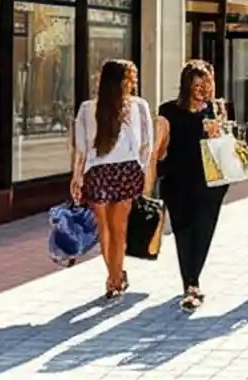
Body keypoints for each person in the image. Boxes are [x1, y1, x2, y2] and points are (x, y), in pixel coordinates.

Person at [70, 59, 152, 299]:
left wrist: (77, 176)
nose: (133, 82)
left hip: (98, 172)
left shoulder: (87, 109)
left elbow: (81, 148)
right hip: (126, 170)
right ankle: (116, 277)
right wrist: (142, 169)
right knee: (117, 228)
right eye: (130, 78)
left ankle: (113, 277)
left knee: (105, 227)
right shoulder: (138, 106)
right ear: (119, 81)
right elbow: (146, 143)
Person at [151, 60, 229, 310]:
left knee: (204, 231)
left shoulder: (214, 109)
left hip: (210, 183)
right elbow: (157, 149)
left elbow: (225, 144)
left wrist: (218, 132)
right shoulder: (168, 110)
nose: (202, 91)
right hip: (177, 182)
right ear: (186, 86)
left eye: (206, 85)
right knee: (184, 233)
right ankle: (191, 284)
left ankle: (192, 281)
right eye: (197, 86)